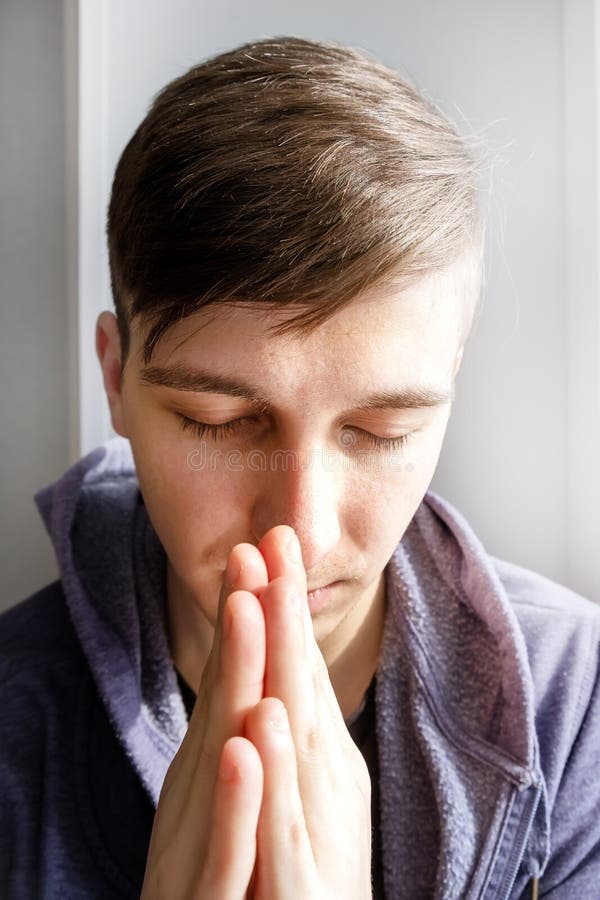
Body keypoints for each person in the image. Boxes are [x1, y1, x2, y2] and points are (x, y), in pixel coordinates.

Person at [1, 35, 599, 900]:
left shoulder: (577, 709)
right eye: (219, 422)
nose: (299, 532)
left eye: (381, 430)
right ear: (114, 378)